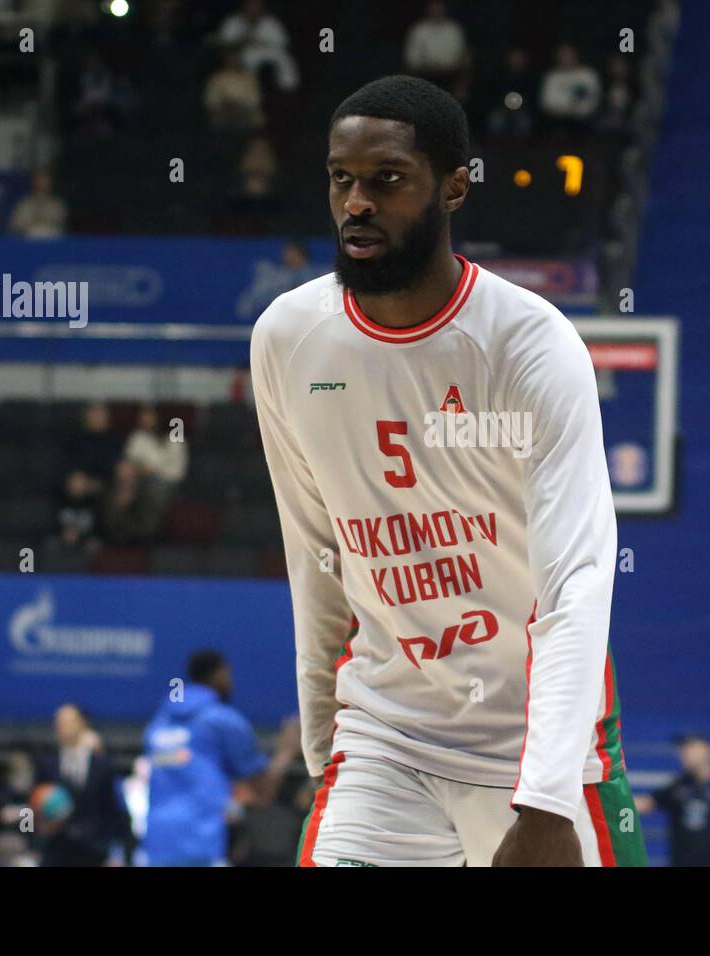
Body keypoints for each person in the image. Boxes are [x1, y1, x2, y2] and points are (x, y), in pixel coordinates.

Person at [249, 75, 644, 867]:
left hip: (533, 744)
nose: (357, 203)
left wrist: (545, 800)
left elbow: (578, 579)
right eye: (341, 179)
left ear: (455, 187)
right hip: (385, 740)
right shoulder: (289, 337)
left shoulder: (530, 344)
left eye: (387, 180)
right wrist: (329, 755)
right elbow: (315, 557)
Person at [143, 650, 290, 866]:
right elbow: (263, 789)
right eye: (228, 674)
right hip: (203, 844)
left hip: (157, 843)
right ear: (218, 675)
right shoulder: (223, 720)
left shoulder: (157, 726)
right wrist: (286, 752)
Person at [35, 703, 129, 866]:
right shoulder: (46, 764)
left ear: (82, 723)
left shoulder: (102, 765)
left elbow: (112, 809)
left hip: (93, 851)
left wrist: (115, 850)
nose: (63, 727)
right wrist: (32, 841)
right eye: (59, 722)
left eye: (69, 722)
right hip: (55, 850)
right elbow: (31, 806)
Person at [635, 734, 710, 867]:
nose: (685, 753)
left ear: (707, 749)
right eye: (683, 749)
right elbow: (644, 804)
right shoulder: (678, 786)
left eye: (691, 747)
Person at [403, 0, 467, 94]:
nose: (436, 10)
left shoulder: (453, 29)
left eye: (439, 7)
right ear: (428, 9)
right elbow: (411, 62)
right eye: (434, 7)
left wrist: (462, 85)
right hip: (424, 79)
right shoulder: (418, 30)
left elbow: (463, 59)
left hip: (450, 79)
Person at [538, 43, 601, 133]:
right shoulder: (551, 76)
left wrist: (577, 111)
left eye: (569, 54)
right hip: (557, 118)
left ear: (576, 55)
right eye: (563, 55)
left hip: (583, 118)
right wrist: (563, 111)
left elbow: (593, 98)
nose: (566, 58)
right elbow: (546, 101)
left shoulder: (588, 74)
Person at [9, 166, 67, 239]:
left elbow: (60, 225)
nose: (42, 182)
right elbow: (16, 227)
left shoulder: (58, 205)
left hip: (52, 245)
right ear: (33, 181)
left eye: (45, 179)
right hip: (28, 245)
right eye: (39, 179)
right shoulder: (24, 204)